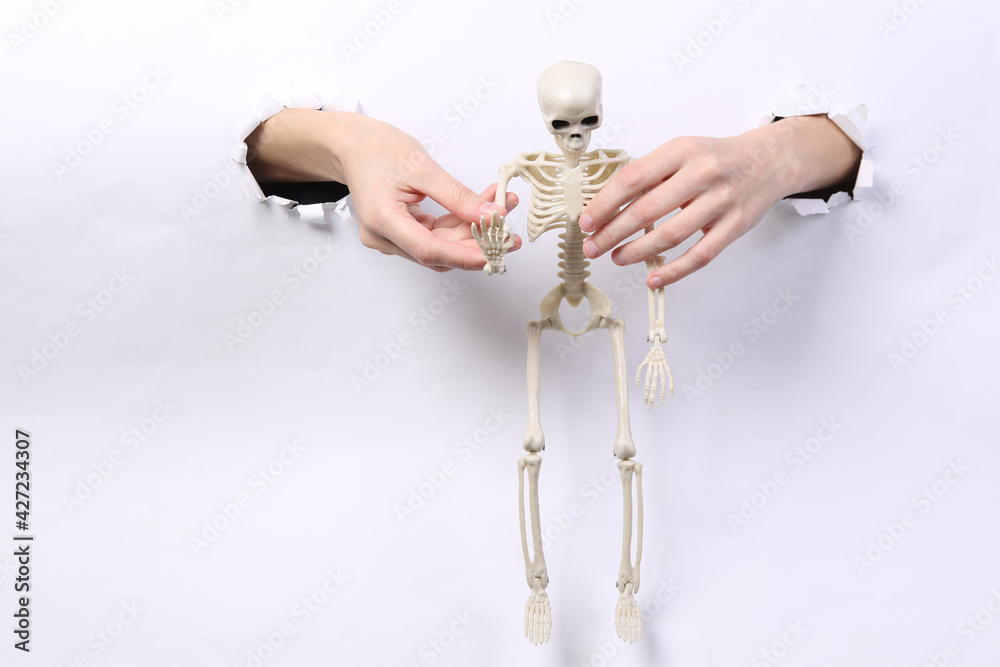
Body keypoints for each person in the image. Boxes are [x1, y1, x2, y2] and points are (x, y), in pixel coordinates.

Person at [244, 103, 862, 283]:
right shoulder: (528, 166)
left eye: (585, 125)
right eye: (562, 126)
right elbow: (216, 141)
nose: (575, 138)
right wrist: (345, 145)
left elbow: (904, 123)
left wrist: (782, 152)